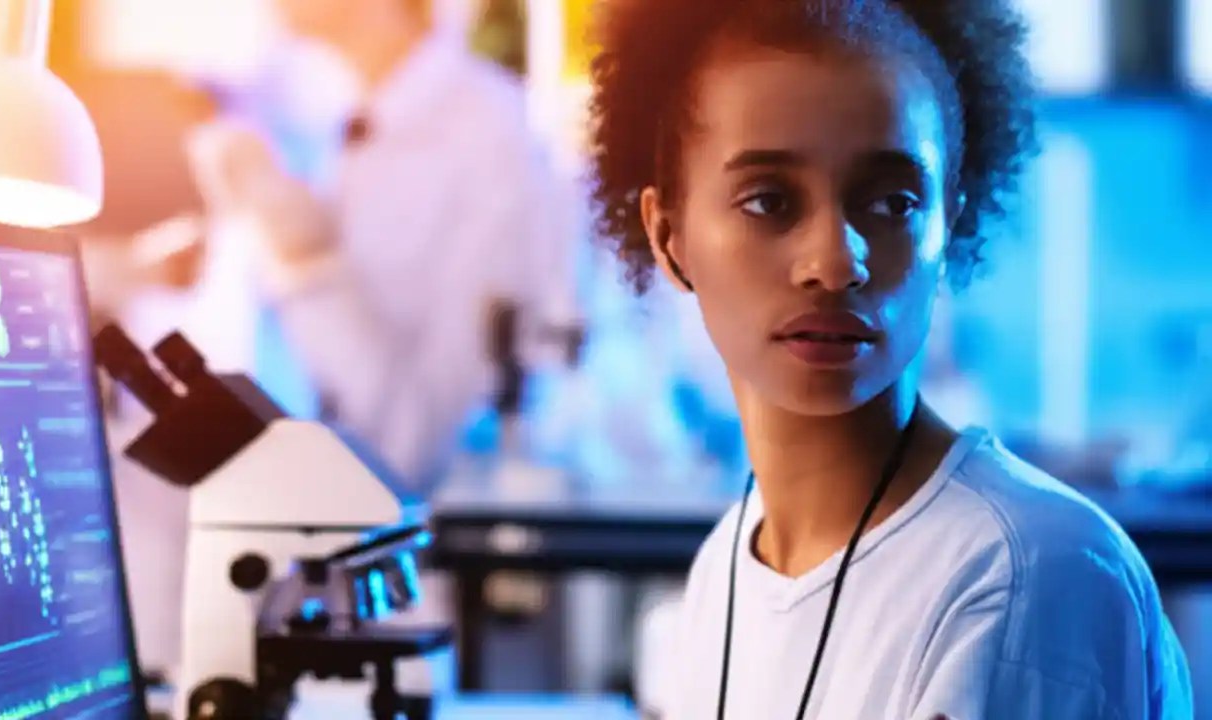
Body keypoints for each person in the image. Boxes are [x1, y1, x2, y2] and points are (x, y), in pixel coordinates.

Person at [588, 1, 1193, 718]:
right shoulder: (726, 568)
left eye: (893, 201)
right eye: (769, 201)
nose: (835, 261)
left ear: (949, 222)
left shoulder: (1023, 575)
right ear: (669, 235)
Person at [248, 0, 577, 492]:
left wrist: (309, 268)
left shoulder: (486, 137)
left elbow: (420, 443)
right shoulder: (337, 125)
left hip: (430, 536)